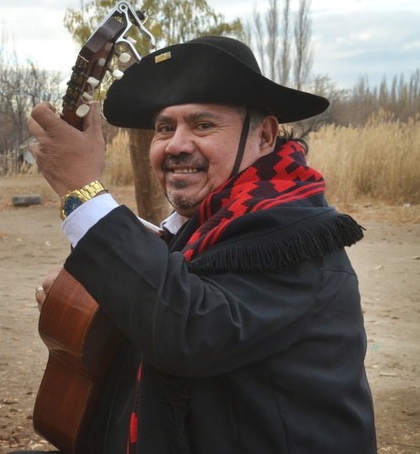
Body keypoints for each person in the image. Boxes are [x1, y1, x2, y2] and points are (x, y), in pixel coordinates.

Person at [24, 36, 377, 454]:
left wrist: (83, 191)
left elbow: (188, 334)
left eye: (203, 125)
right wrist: (92, 302)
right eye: (164, 128)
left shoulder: (294, 233)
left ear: (264, 136)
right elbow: (166, 320)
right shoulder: (195, 232)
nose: (175, 145)